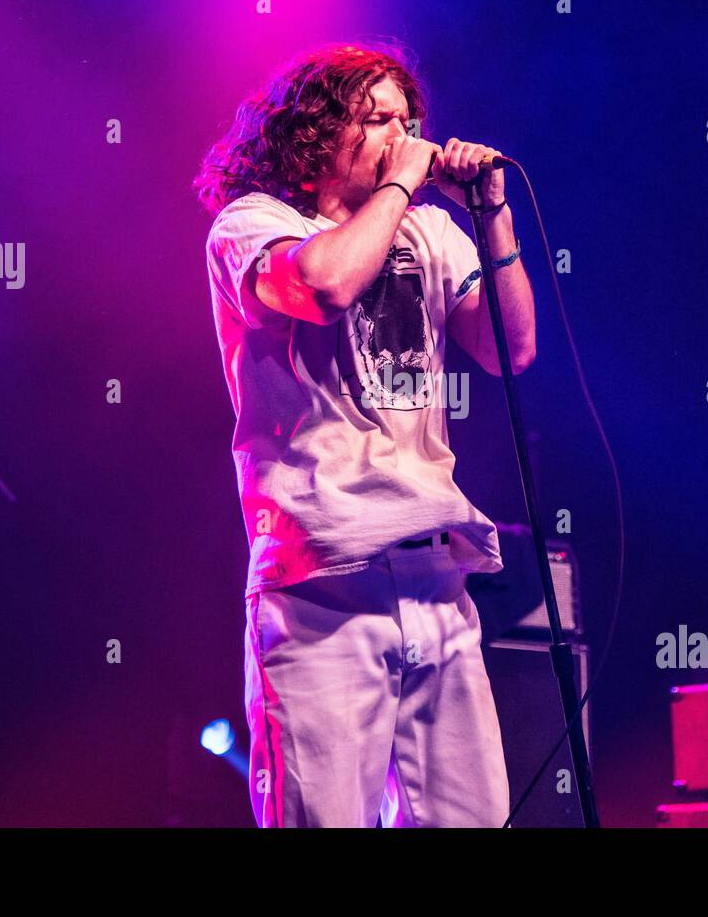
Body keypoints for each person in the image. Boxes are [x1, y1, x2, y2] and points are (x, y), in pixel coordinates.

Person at [195, 42, 536, 827]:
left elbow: (509, 351)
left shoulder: (432, 231)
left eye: (405, 120)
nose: (398, 134)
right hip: (322, 589)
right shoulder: (253, 225)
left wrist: (492, 212)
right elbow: (324, 284)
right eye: (374, 119)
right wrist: (400, 183)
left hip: (437, 580)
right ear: (314, 138)